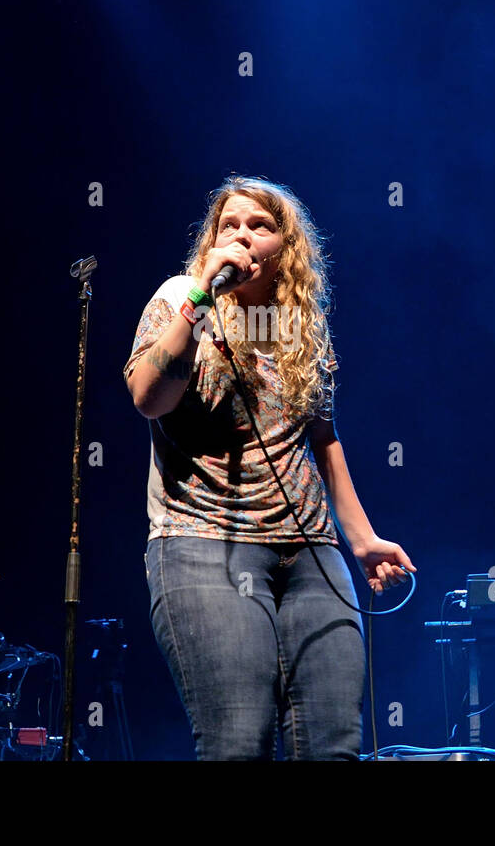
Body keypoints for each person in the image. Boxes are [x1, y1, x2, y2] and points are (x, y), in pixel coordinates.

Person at [124, 175, 416, 760]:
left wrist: (362, 540)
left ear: (286, 246)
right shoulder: (182, 298)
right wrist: (199, 300)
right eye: (228, 225)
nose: (242, 236)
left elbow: (324, 441)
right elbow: (150, 398)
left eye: (260, 226)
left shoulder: (303, 326)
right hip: (204, 541)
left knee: (333, 746)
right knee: (239, 742)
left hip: (310, 549)